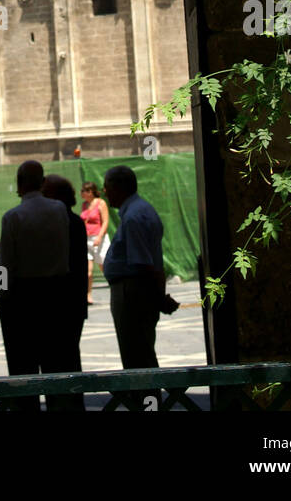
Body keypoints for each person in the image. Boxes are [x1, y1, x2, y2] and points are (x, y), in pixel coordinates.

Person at [0, 159, 70, 410]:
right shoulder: (60, 210)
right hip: (56, 295)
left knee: (23, 369)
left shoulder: (12, 217)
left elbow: (5, 265)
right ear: (42, 181)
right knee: (56, 366)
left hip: (23, 299)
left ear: (19, 184)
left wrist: (2, 294)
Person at [102, 166, 165, 409]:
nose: (106, 194)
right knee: (140, 353)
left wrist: (158, 297)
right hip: (133, 290)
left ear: (118, 188)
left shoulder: (134, 217)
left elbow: (143, 264)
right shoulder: (137, 212)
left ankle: (145, 403)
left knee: (136, 356)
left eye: (108, 188)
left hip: (132, 293)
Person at [42, 174, 88, 411]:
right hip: (73, 305)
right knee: (68, 360)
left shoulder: (65, 223)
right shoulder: (74, 222)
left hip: (61, 306)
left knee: (57, 363)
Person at [80, 181, 110, 304]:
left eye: (85, 191)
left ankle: (116, 289)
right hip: (86, 240)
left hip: (99, 239)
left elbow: (105, 221)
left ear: (91, 192)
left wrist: (99, 237)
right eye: (82, 191)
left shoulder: (101, 203)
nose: (82, 193)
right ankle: (88, 295)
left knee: (104, 267)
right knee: (88, 271)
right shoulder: (84, 205)